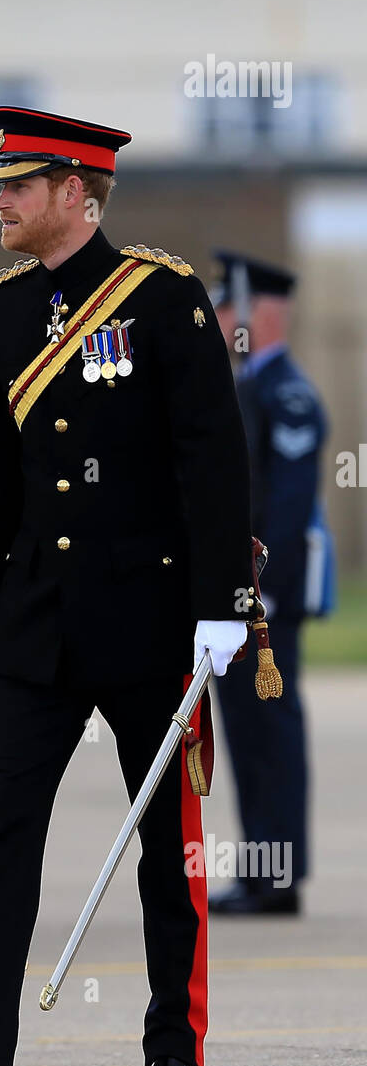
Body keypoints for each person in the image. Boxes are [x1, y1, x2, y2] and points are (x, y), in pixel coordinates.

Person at [0, 105, 252, 1066]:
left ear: (74, 193)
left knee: (162, 845)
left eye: (17, 184)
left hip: (150, 615)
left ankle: (172, 1046)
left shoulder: (165, 299)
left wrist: (219, 606)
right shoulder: (0, 311)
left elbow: (209, 463)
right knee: (6, 834)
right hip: (41, 620)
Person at [209, 252, 328, 916]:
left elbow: (282, 509)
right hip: (243, 596)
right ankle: (261, 870)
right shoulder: (248, 387)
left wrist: (260, 591)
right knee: (248, 737)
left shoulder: (285, 393)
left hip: (266, 599)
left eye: (231, 308)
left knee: (270, 735)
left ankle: (278, 877)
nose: (224, 320)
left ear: (264, 314)